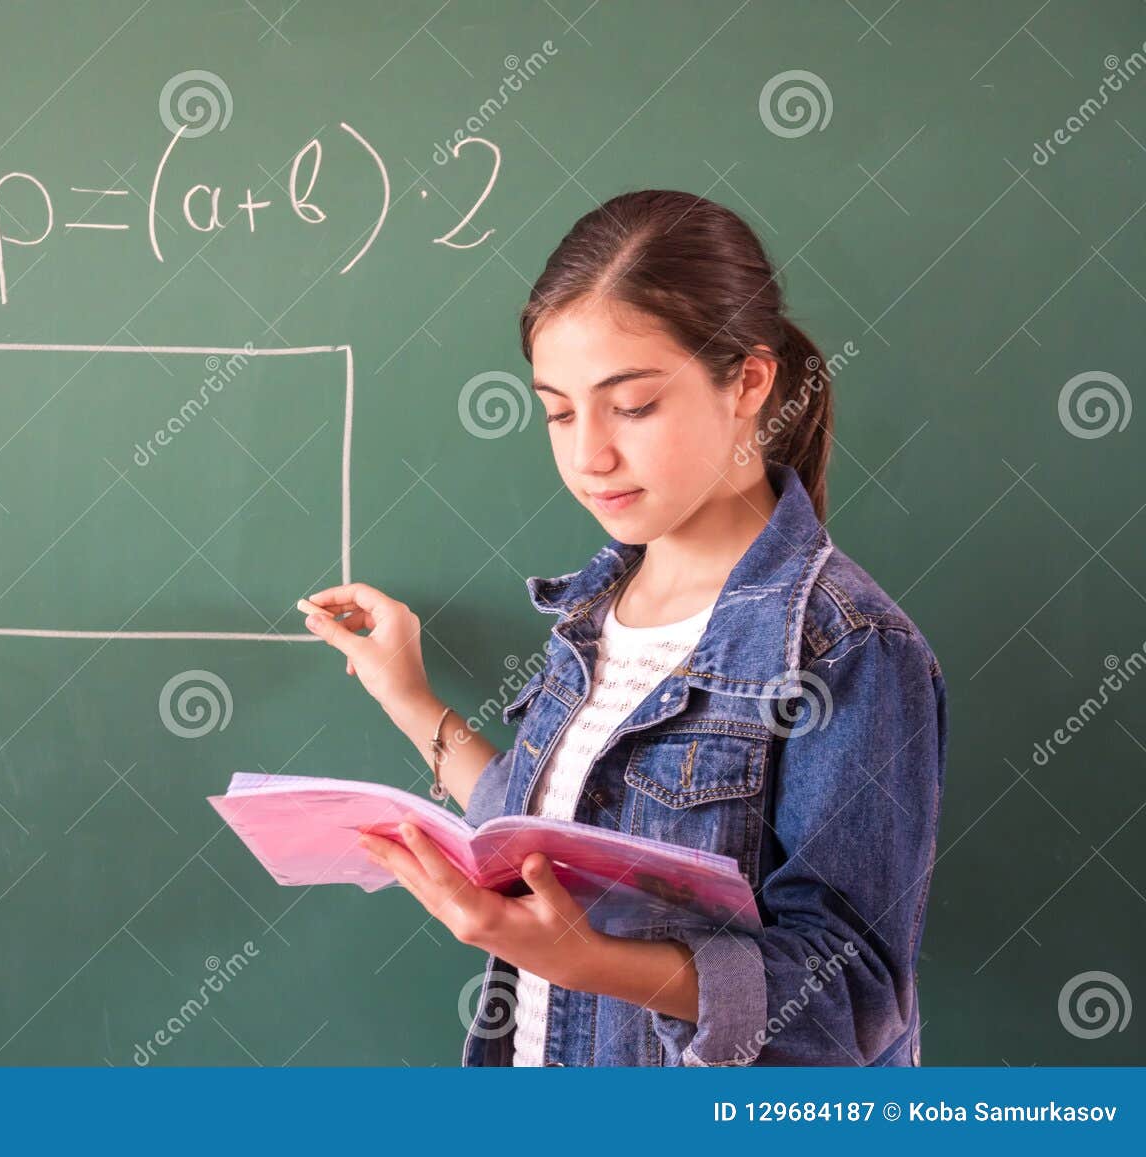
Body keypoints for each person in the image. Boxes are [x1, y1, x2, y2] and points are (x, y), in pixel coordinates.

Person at [300, 189, 949, 1067]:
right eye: (559, 412)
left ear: (750, 382)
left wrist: (593, 962)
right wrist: (407, 693)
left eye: (633, 406)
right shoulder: (595, 610)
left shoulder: (848, 645)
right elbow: (540, 828)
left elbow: (850, 999)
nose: (587, 455)